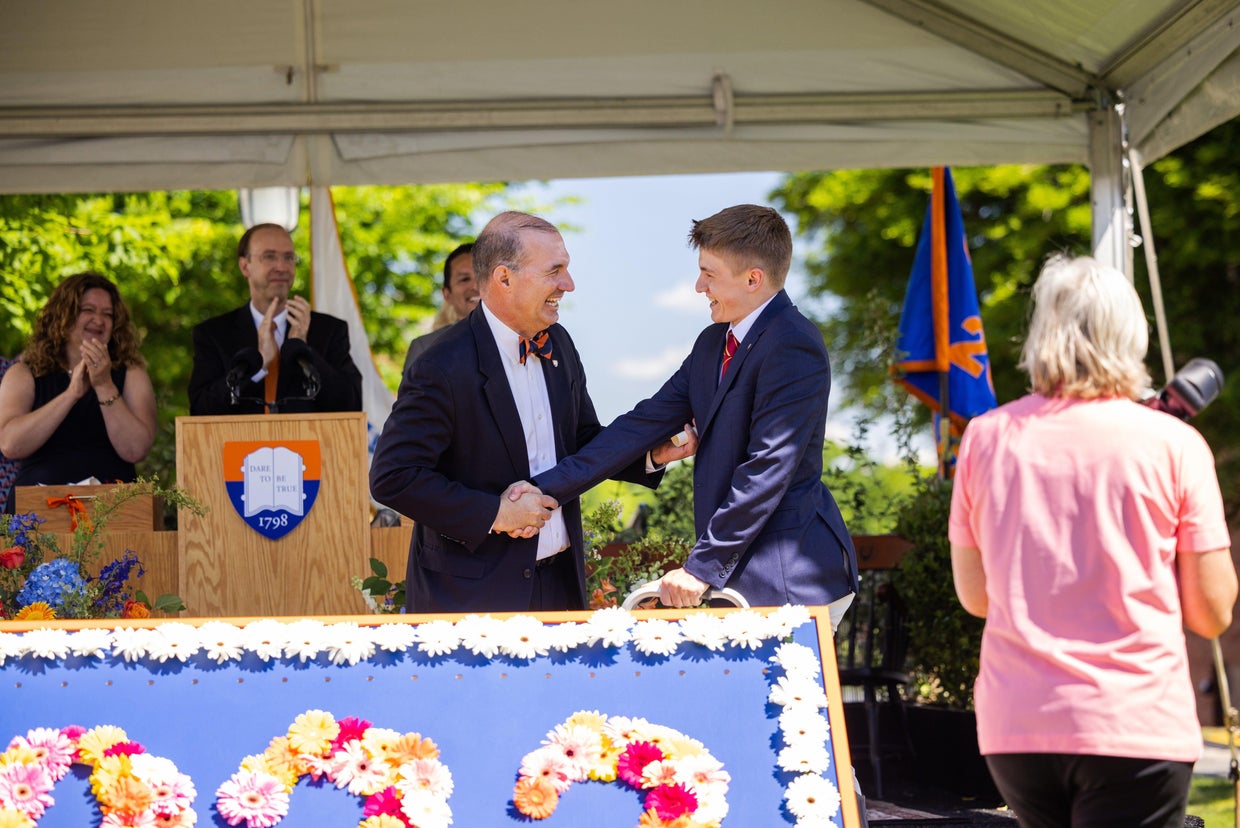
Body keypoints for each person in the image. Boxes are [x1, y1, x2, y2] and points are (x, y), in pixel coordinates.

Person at [948, 254, 1237, 828]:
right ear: (1131, 335)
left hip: (1018, 727)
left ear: (1041, 334)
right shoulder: (1173, 444)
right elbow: (1210, 614)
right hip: (1134, 724)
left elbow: (977, 598)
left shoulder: (985, 438)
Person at [522, 204, 858, 626]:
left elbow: (768, 469)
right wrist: (538, 489)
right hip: (739, 580)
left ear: (753, 279)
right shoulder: (712, 343)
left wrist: (701, 567)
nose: (700, 287)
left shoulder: (794, 344)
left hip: (791, 579)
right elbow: (640, 425)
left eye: (709, 274)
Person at [369, 211, 691, 613]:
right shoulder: (440, 364)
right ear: (504, 278)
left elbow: (582, 440)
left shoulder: (561, 343)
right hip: (471, 596)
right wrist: (496, 513)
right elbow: (393, 477)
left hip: (560, 585)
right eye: (554, 271)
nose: (568, 285)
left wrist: (648, 455)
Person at [0, 273, 157, 512]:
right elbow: (10, 444)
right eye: (88, 310)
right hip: (38, 509)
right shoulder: (24, 372)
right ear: (63, 316)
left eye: (108, 314)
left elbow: (136, 449)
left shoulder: (131, 373)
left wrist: (104, 385)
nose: (99, 320)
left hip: (113, 510)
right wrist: (70, 395)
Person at [188, 222, 363, 415]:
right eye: (269, 257)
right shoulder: (214, 334)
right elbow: (200, 409)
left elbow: (352, 404)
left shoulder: (328, 330)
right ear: (245, 266)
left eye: (288, 257)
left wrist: (304, 351)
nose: (281, 267)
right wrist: (259, 365)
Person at [402, 242, 477, 372]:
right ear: (447, 294)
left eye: (482, 276)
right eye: (464, 279)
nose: (476, 286)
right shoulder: (425, 349)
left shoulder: (520, 342)